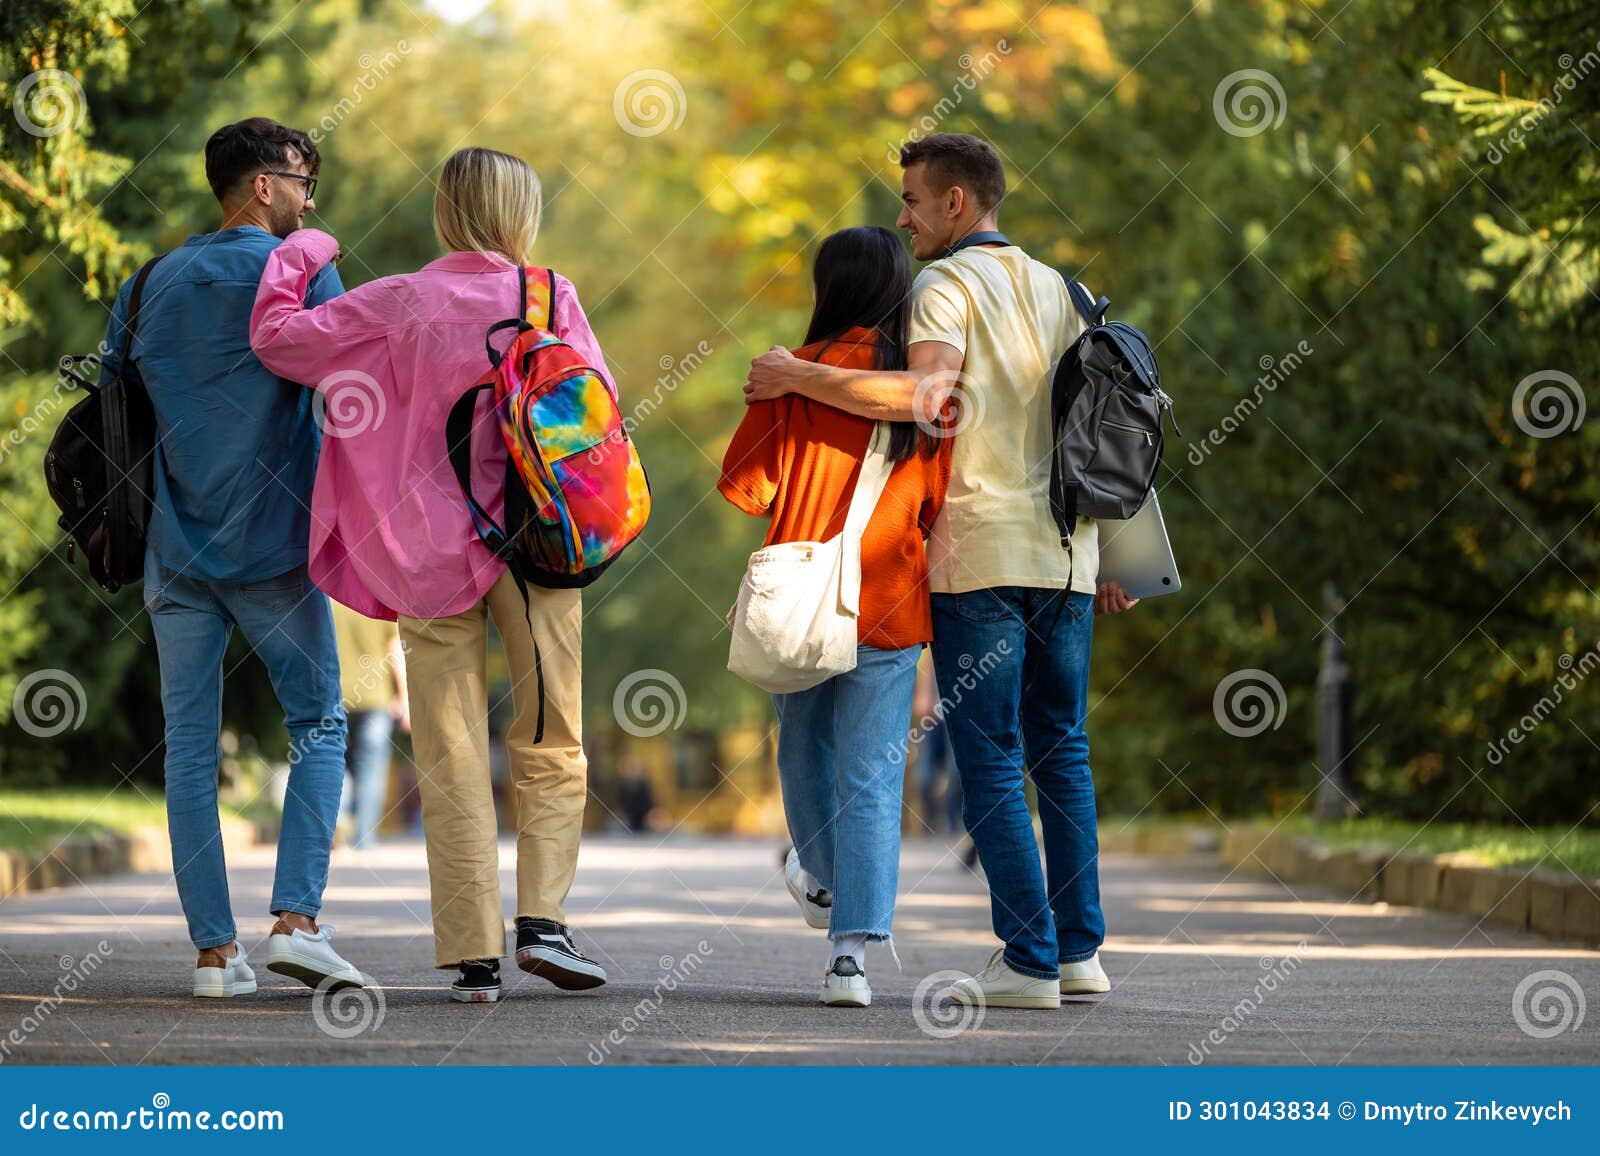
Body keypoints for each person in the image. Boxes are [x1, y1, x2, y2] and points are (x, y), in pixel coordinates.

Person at [744, 133, 1139, 1011]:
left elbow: (927, 398)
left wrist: (796, 373)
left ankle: (1031, 958)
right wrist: (1121, 551)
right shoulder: (1063, 290)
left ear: (957, 203)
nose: (904, 218)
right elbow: (1109, 423)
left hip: (978, 555)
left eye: (914, 201)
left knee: (990, 753)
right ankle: (1080, 953)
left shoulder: (944, 286)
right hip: (1068, 554)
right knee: (1063, 751)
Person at [250, 146, 611, 1004]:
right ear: (520, 212)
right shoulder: (549, 294)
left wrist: (306, 248)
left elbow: (279, 342)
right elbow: (597, 410)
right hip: (540, 543)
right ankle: (545, 925)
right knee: (551, 736)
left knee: (448, 752)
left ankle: (473, 957)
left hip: (429, 551)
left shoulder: (401, 297)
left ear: (448, 209)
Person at [96, 117, 363, 998]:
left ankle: (215, 956)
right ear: (262, 186)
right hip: (276, 547)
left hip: (174, 549)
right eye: (301, 182)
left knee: (187, 752)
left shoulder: (143, 287)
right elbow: (349, 381)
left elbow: (115, 412)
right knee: (319, 723)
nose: (309, 199)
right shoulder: (303, 271)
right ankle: (295, 921)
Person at [721, 225, 952, 1007]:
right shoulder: (922, 394)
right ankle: (849, 956)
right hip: (890, 603)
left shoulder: (794, 374)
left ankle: (820, 877)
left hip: (801, 603)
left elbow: (748, 487)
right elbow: (939, 503)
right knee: (873, 779)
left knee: (803, 758)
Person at [332, 603, 409, 850]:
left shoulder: (328, 597)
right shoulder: (379, 596)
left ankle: (338, 819)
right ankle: (364, 838)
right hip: (376, 699)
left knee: (334, 762)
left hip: (336, 695)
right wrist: (405, 699)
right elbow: (395, 650)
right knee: (371, 769)